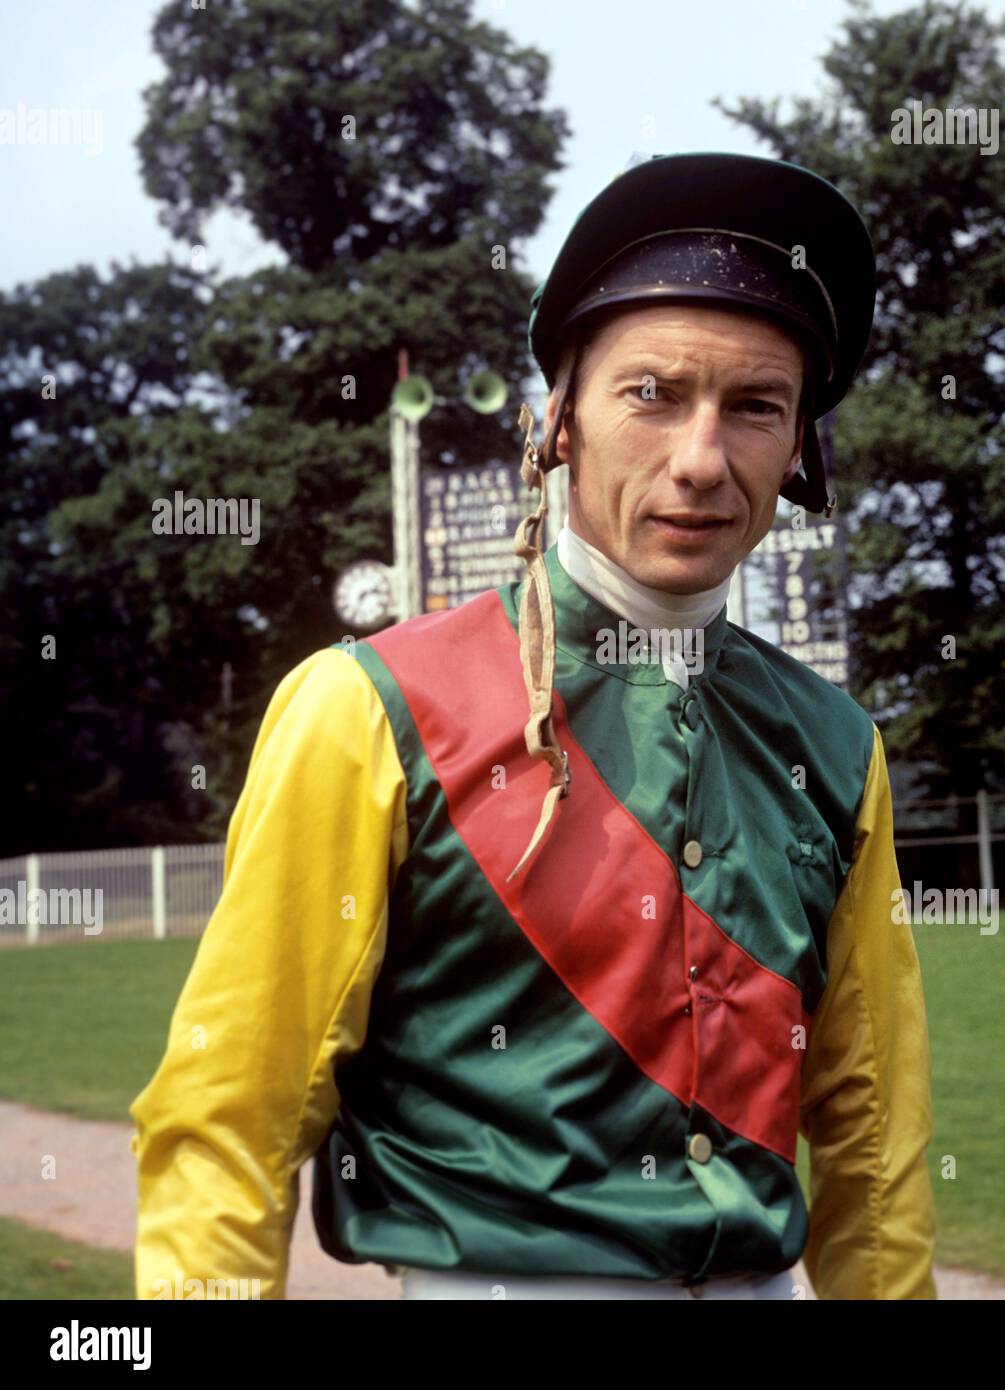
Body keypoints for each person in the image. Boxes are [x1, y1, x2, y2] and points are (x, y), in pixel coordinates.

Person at [129, 151, 938, 1301]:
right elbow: (228, 1116)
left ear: (799, 450)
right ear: (556, 419)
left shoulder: (839, 745)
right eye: (651, 393)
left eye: (754, 407)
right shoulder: (366, 707)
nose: (701, 461)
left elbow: (873, 1142)